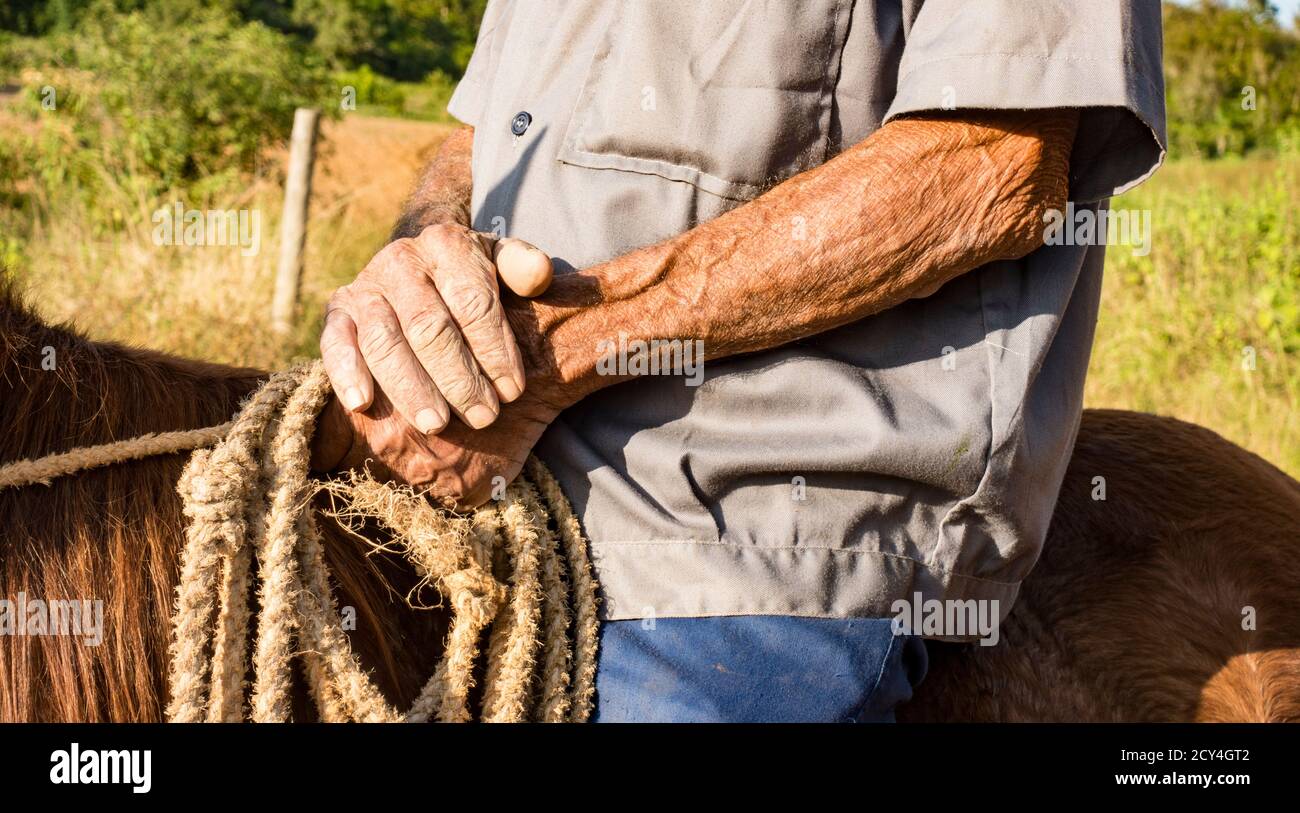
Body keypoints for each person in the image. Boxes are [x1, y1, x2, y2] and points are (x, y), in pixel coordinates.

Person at [311, 0, 1166, 722]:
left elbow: (990, 166)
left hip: (733, 547)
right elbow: (482, 136)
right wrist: (425, 259)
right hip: (479, 502)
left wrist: (553, 354)